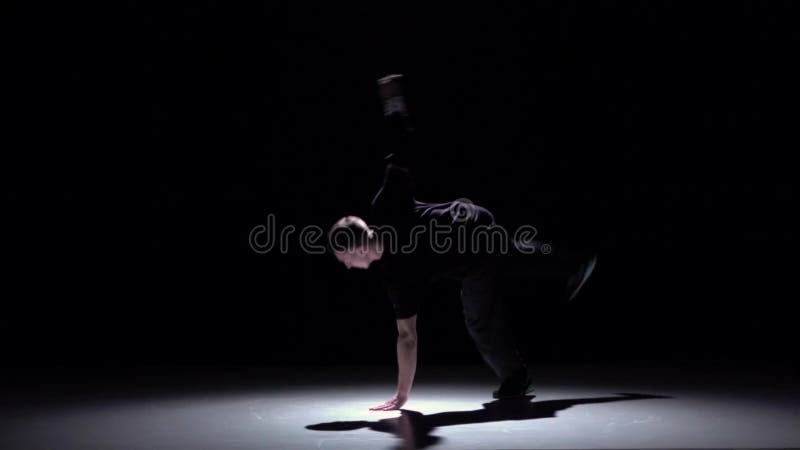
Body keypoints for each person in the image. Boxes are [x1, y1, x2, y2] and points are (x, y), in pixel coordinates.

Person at [329, 74, 597, 411]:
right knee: (510, 254)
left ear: (357, 249)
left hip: (471, 246)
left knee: (479, 317)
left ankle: (516, 376)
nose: (346, 266)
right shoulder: (388, 238)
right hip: (472, 224)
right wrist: (392, 101)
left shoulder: (391, 239)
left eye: (343, 258)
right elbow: (407, 337)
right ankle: (573, 263)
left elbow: (401, 148)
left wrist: (401, 396)